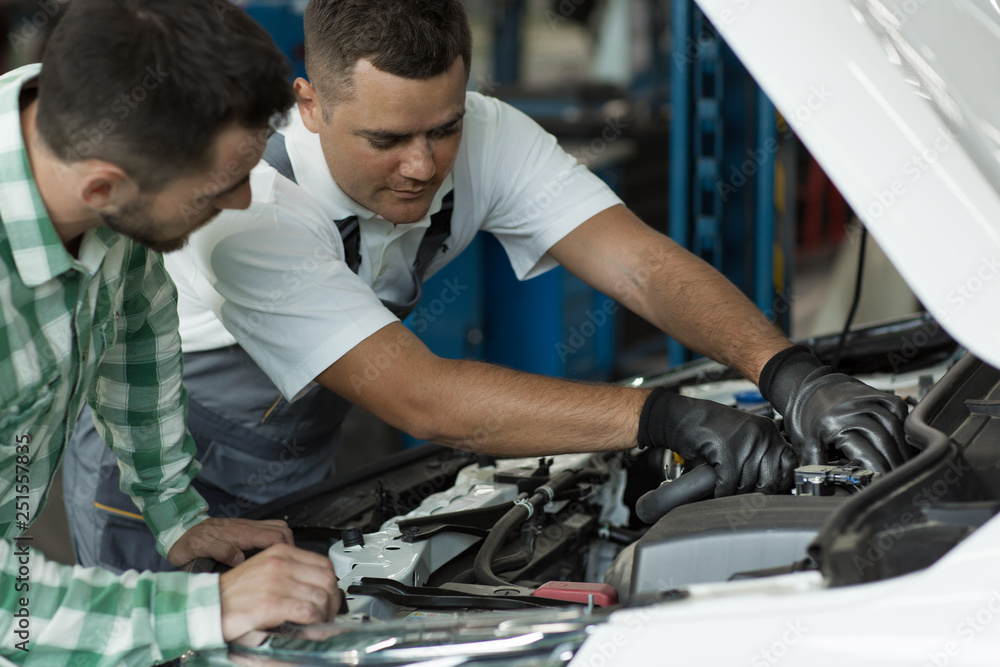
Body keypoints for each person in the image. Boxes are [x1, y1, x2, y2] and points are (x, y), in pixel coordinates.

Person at [65, 0, 909, 574]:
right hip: (155, 485)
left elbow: (638, 263)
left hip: (296, 467)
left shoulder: (488, 134)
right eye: (388, 138)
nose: (424, 165)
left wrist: (788, 372)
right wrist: (666, 415)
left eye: (445, 126)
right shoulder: (251, 213)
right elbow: (426, 399)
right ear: (312, 105)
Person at [0, 1, 341, 663]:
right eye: (218, 188)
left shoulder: (76, 132)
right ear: (103, 187)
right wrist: (208, 607)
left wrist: (175, 512)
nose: (243, 201)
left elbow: (136, 334)